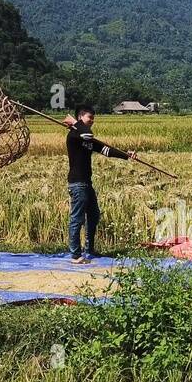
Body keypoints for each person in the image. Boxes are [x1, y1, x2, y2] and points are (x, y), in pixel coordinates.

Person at [61, 105, 136, 264]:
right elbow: (87, 134)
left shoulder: (85, 137)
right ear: (81, 117)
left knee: (94, 215)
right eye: (90, 118)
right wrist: (75, 123)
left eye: (93, 119)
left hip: (87, 183)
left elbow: (105, 150)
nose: (92, 121)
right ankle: (75, 254)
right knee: (77, 219)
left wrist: (126, 155)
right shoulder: (74, 135)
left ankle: (89, 249)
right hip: (77, 183)